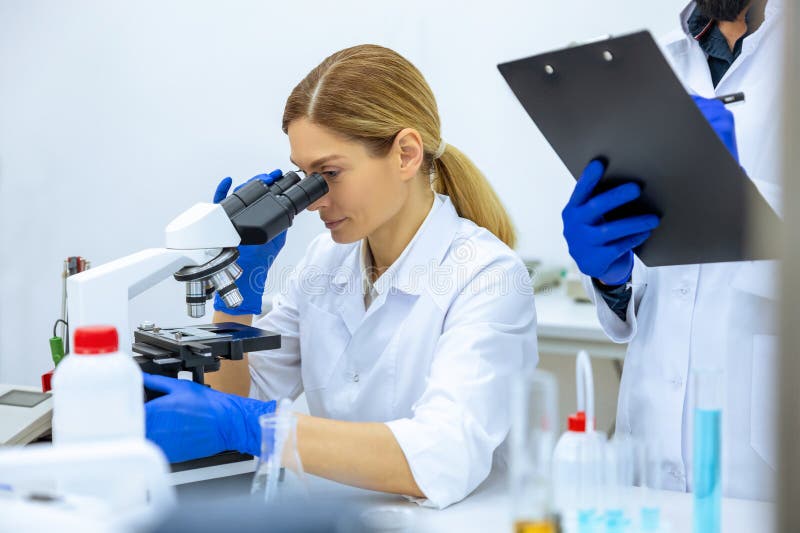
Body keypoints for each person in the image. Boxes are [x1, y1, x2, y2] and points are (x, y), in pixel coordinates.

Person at [144, 44, 538, 509]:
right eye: (304, 177)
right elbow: (243, 393)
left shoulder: (487, 276)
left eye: (329, 173)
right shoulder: (323, 263)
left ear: (406, 154)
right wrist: (236, 302)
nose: (312, 201)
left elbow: (442, 455)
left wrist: (255, 426)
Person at [561, 0, 783, 500]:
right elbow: (656, 275)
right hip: (645, 466)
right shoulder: (650, 67)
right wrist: (610, 279)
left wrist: (747, 200)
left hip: (765, 480)